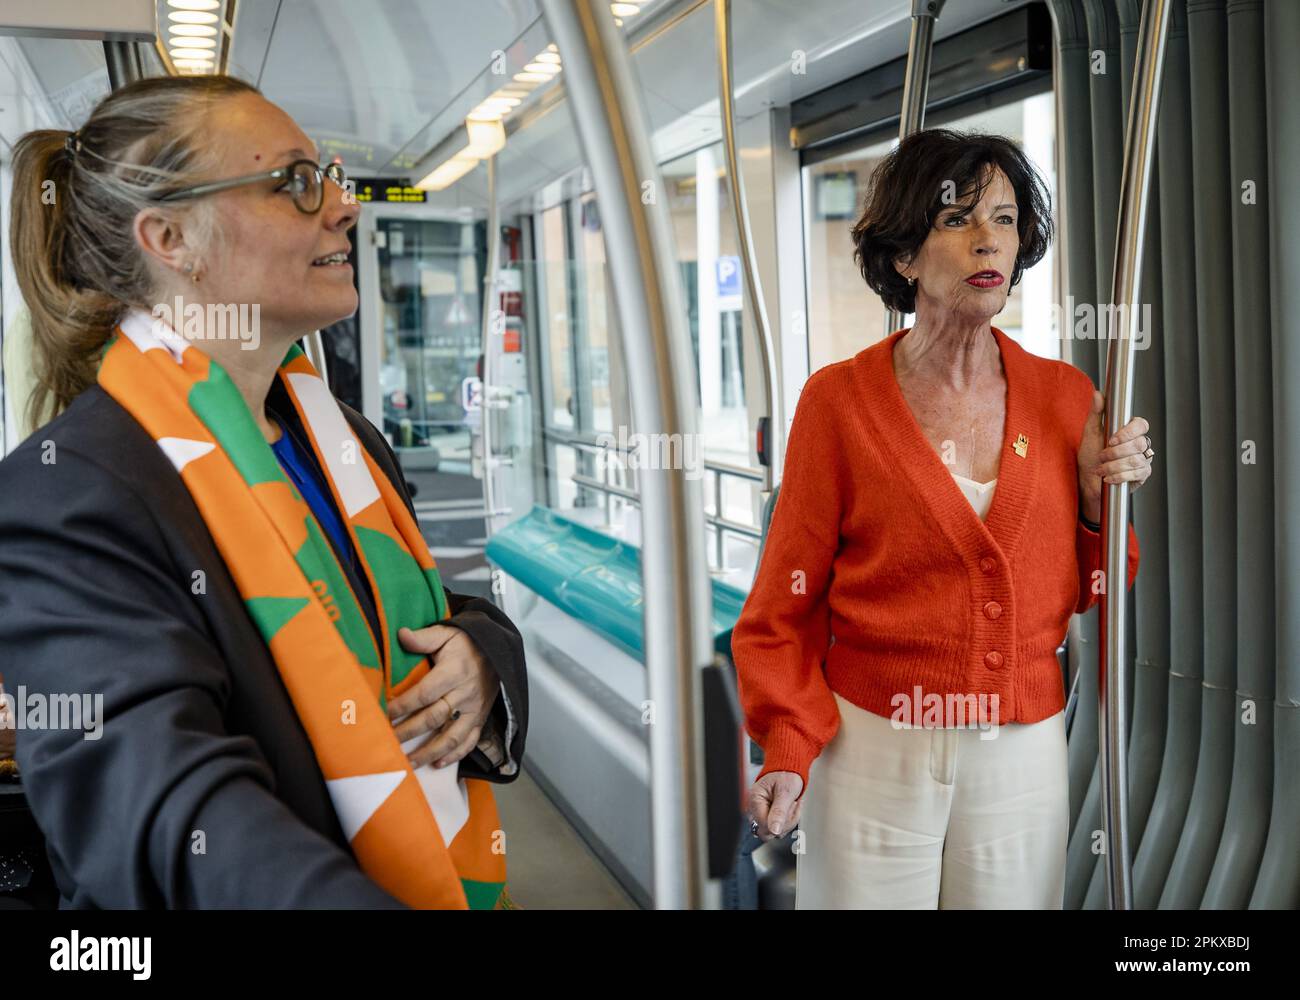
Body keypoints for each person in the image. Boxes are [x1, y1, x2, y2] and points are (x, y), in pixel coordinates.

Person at [0, 75, 526, 909]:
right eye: (295, 182)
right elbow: (162, 805)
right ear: (172, 237)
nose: (343, 207)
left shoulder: (339, 436)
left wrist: (483, 659)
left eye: (330, 178)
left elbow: (406, 616)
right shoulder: (65, 497)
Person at [731, 129, 1153, 909]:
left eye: (1004, 218)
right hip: (871, 745)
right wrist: (786, 746)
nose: (988, 240)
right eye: (956, 220)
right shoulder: (838, 403)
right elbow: (780, 607)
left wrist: (1099, 506)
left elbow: (1101, 587)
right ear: (904, 256)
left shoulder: (1064, 396)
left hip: (1021, 755)